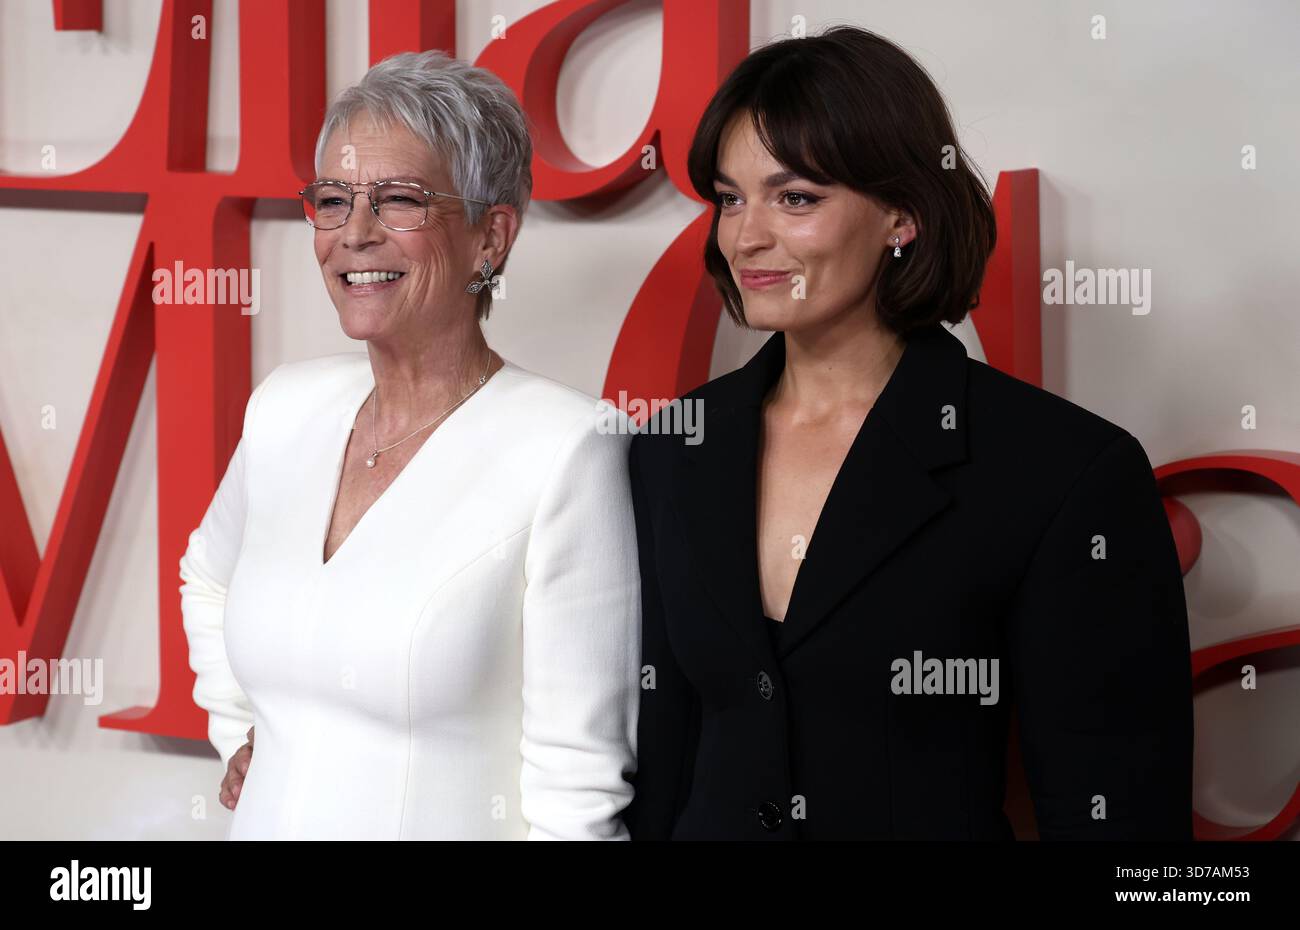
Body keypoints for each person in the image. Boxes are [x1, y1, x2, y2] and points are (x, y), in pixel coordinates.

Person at [624, 26, 1193, 840]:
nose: (745, 237)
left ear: (903, 214)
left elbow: (1120, 817)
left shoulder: (1061, 470)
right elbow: (662, 762)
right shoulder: (674, 450)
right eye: (730, 198)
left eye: (795, 198)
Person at [179, 50, 640, 840]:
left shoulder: (569, 449)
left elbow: (577, 791)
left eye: (399, 201)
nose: (354, 235)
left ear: (491, 236)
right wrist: (238, 730)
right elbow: (207, 578)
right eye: (333, 200)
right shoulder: (286, 408)